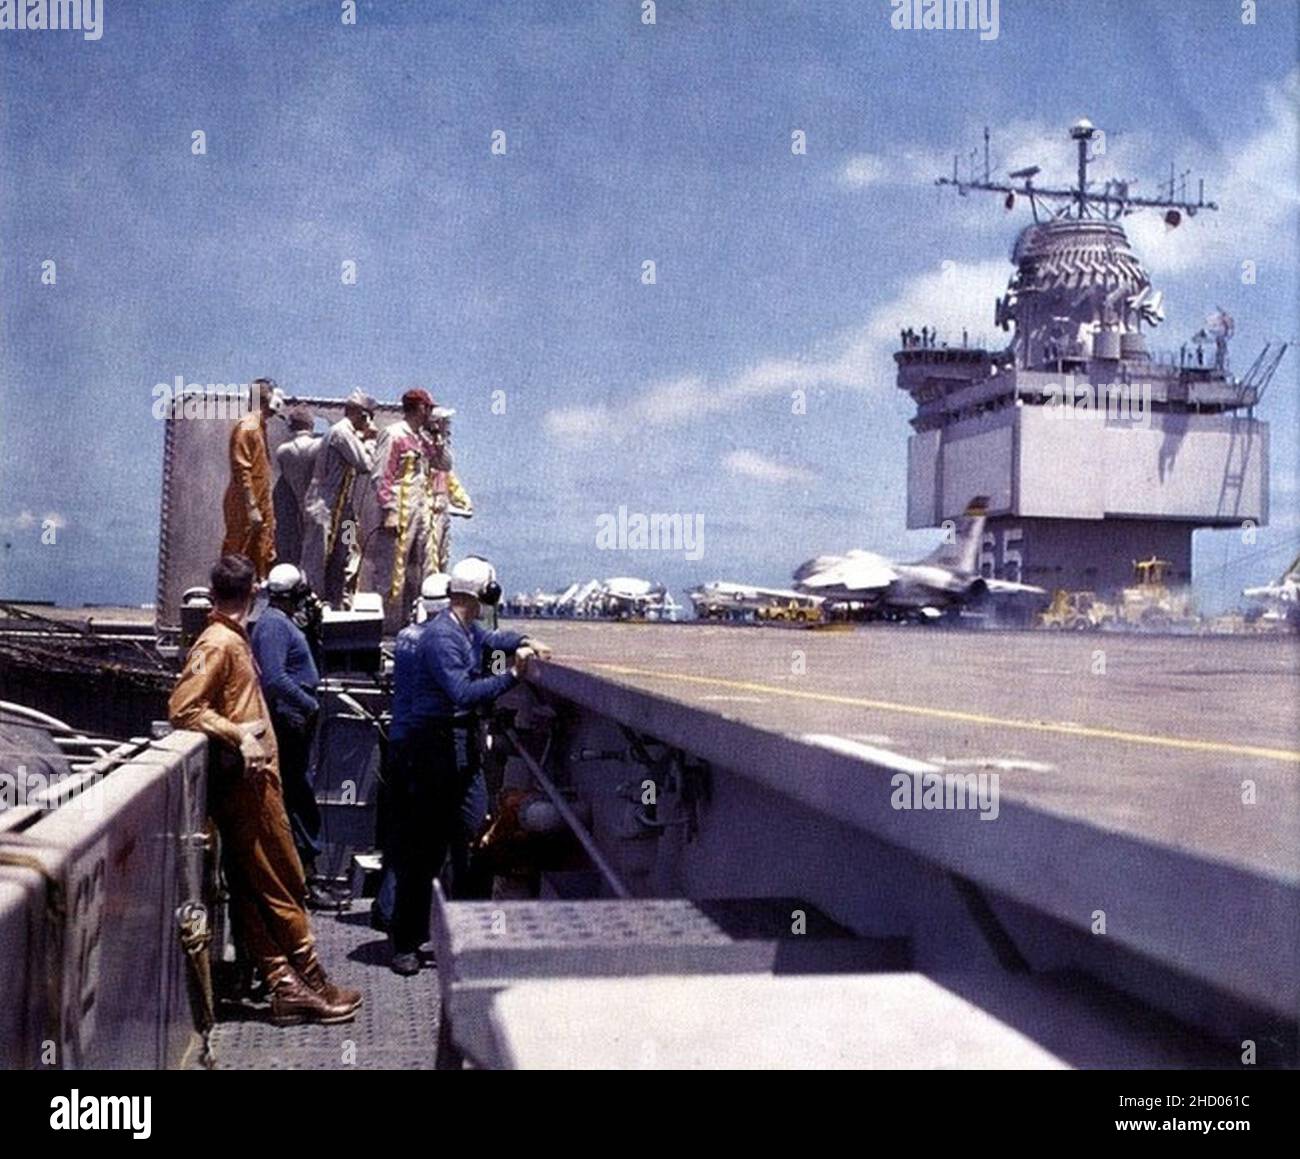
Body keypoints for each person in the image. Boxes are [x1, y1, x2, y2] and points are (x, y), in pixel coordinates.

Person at [168, 554, 362, 1025]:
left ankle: (287, 984)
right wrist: (238, 736)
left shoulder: (233, 638)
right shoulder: (218, 643)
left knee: (258, 887)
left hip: (256, 784)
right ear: (253, 591)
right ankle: (307, 978)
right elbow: (183, 707)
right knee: (283, 881)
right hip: (249, 788)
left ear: (214, 594)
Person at [387, 557, 551, 975]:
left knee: (477, 844)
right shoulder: (442, 637)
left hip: (462, 749)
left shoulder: (465, 628)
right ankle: (406, 943)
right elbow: (461, 692)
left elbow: (493, 638)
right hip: (433, 751)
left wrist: (523, 640)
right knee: (424, 851)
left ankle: (470, 935)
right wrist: (514, 675)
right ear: (484, 592)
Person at [370, 570, 452, 933]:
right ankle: (406, 919)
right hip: (425, 749)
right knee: (424, 842)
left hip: (400, 744)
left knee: (399, 833)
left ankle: (385, 909)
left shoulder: (405, 638)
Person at [251, 563, 328, 905]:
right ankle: (302, 878)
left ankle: (304, 874)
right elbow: (274, 678)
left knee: (299, 795)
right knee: (297, 796)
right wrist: (308, 704)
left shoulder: (279, 624)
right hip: (290, 721)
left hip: (295, 719)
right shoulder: (273, 627)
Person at [302, 390, 378, 608]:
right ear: (363, 415)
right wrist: (371, 441)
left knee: (347, 548)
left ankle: (341, 599)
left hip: (343, 508)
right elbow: (365, 464)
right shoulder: (341, 432)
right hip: (323, 507)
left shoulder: (350, 435)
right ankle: (312, 605)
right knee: (316, 560)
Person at [369, 389, 436, 632]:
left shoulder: (422, 439)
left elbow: (443, 463)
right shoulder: (394, 435)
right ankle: (384, 628)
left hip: (420, 510)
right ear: (419, 408)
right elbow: (381, 475)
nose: (431, 413)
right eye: (429, 408)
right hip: (400, 509)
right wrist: (388, 509)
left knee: (416, 570)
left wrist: (436, 438)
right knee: (390, 571)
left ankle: (410, 624)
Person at [221, 379, 283, 579]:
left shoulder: (259, 427)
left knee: (259, 554)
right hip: (246, 507)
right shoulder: (248, 426)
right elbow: (242, 470)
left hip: (259, 504)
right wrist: (252, 507)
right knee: (238, 554)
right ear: (268, 398)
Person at [424, 405, 473, 577]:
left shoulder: (442, 449)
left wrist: (463, 501)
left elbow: (449, 477)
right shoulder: (425, 447)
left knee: (442, 556)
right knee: (430, 558)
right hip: (431, 509)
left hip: (442, 509)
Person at [272, 406, 320, 568]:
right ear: (311, 425)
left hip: (297, 510)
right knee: (346, 541)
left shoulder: (283, 452)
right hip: (333, 513)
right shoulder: (321, 447)